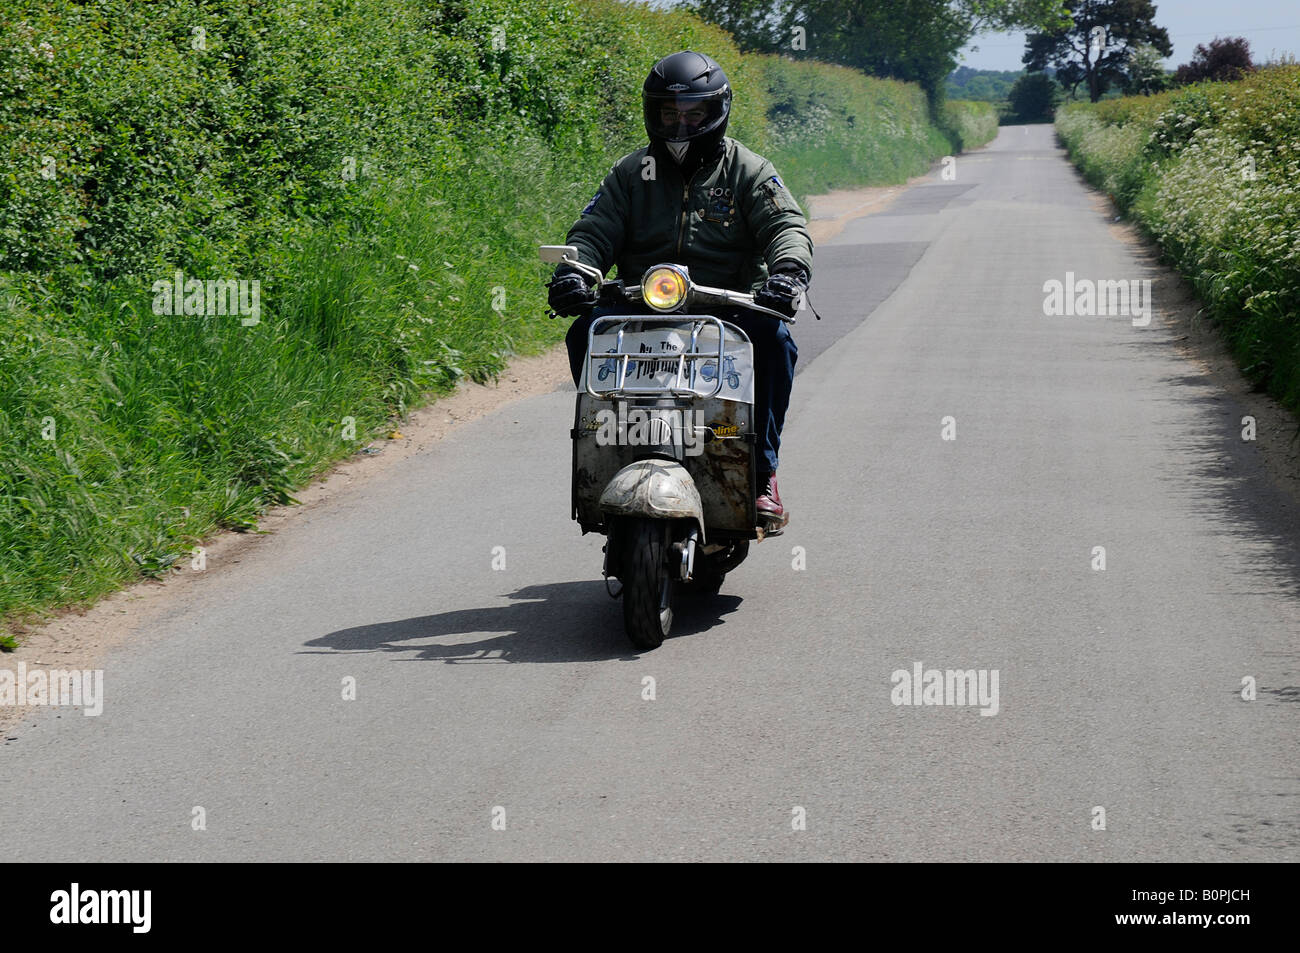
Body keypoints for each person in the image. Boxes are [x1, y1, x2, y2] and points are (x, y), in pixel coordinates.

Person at [547, 50, 812, 529]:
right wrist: (575, 272)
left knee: (774, 343)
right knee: (584, 331)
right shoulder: (631, 173)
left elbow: (786, 226)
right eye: (670, 114)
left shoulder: (747, 170)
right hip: (637, 304)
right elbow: (593, 230)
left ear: (717, 112)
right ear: (653, 113)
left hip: (729, 308)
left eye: (694, 113)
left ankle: (763, 471)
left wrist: (788, 272)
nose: (681, 125)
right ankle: (606, 445)